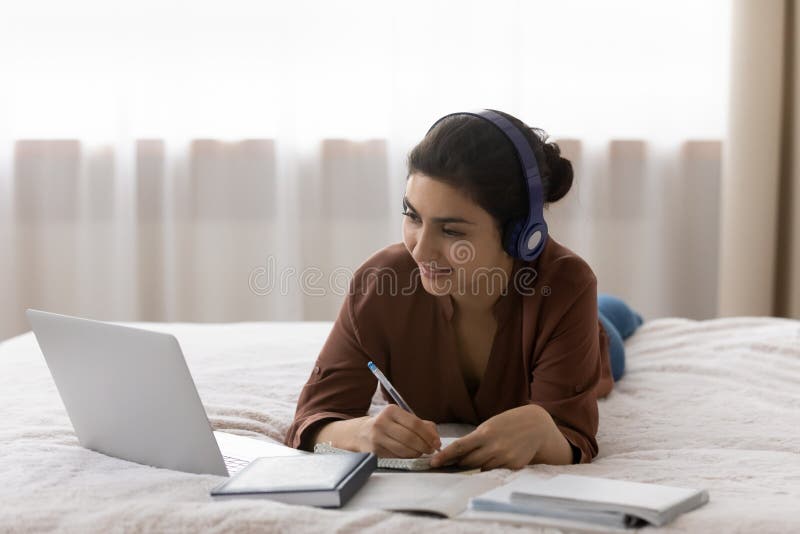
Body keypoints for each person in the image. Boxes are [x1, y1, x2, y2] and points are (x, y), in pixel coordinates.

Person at [285, 109, 644, 468]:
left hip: (587, 335)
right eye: (412, 216)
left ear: (520, 234)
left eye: (452, 231)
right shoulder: (379, 282)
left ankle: (619, 314)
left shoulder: (568, 287)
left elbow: (573, 436)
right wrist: (357, 433)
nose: (420, 251)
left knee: (611, 321)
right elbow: (312, 421)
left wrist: (544, 431)